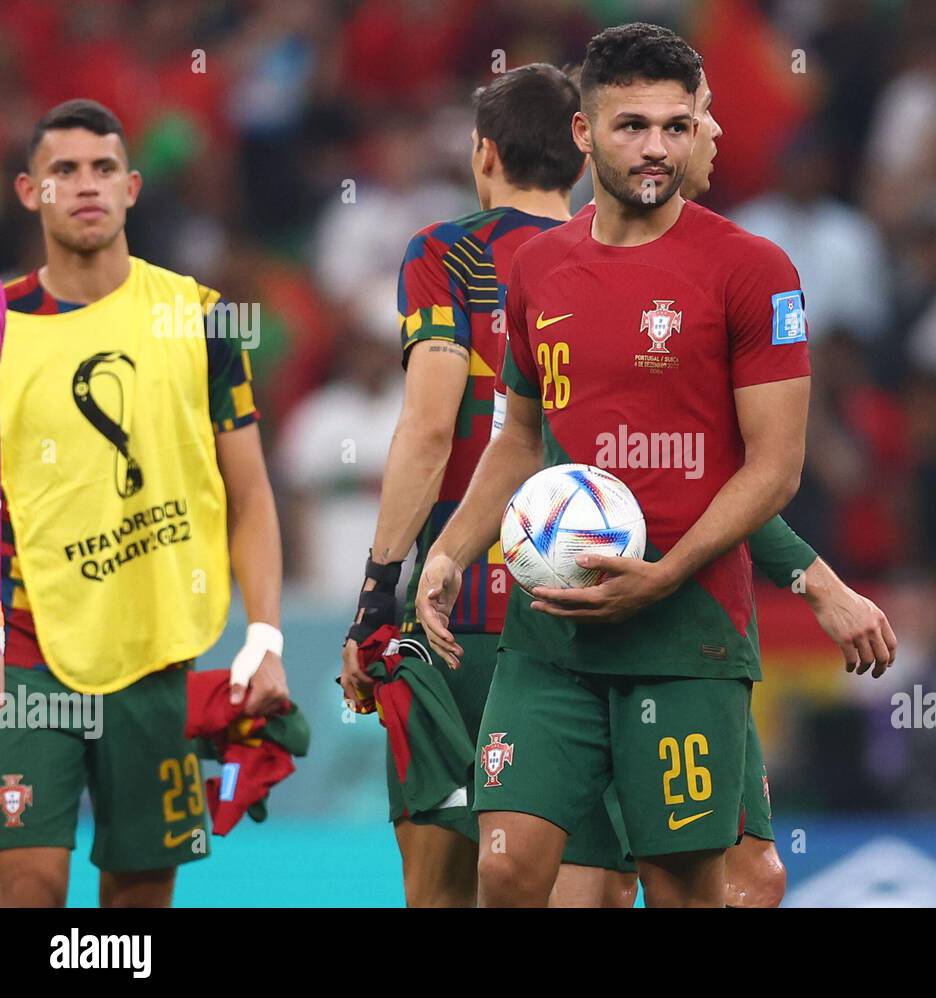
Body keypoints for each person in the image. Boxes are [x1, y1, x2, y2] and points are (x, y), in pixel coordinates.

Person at [414, 22, 816, 908]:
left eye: (677, 126)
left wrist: (665, 575)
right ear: (584, 134)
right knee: (508, 865)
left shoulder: (754, 270)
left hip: (687, 637)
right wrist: (448, 553)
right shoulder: (539, 270)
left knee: (681, 887)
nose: (657, 148)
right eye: (632, 125)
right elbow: (519, 438)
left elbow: (777, 466)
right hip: (549, 635)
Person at [565, 57, 899, 909]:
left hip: (675, 612)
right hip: (617, 614)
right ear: (589, 136)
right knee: (637, 874)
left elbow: (732, 469)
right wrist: (822, 584)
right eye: (680, 122)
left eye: (691, 122)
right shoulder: (571, 272)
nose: (706, 136)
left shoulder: (727, 263)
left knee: (730, 869)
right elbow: (678, 469)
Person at [338, 64, 648, 907]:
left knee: (443, 888)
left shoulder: (446, 254)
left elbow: (431, 429)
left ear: (484, 154)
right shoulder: (623, 256)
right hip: (590, 607)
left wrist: (377, 596)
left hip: (456, 615)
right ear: (583, 157)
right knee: (589, 886)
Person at [0, 99, 289, 908]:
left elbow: (251, 494)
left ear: (131, 188)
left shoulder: (201, 319)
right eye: (64, 171)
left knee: (138, 895)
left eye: (102, 170)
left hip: (157, 653)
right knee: (27, 883)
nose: (85, 186)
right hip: (27, 653)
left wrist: (263, 639)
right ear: (31, 191)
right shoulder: (1, 327)